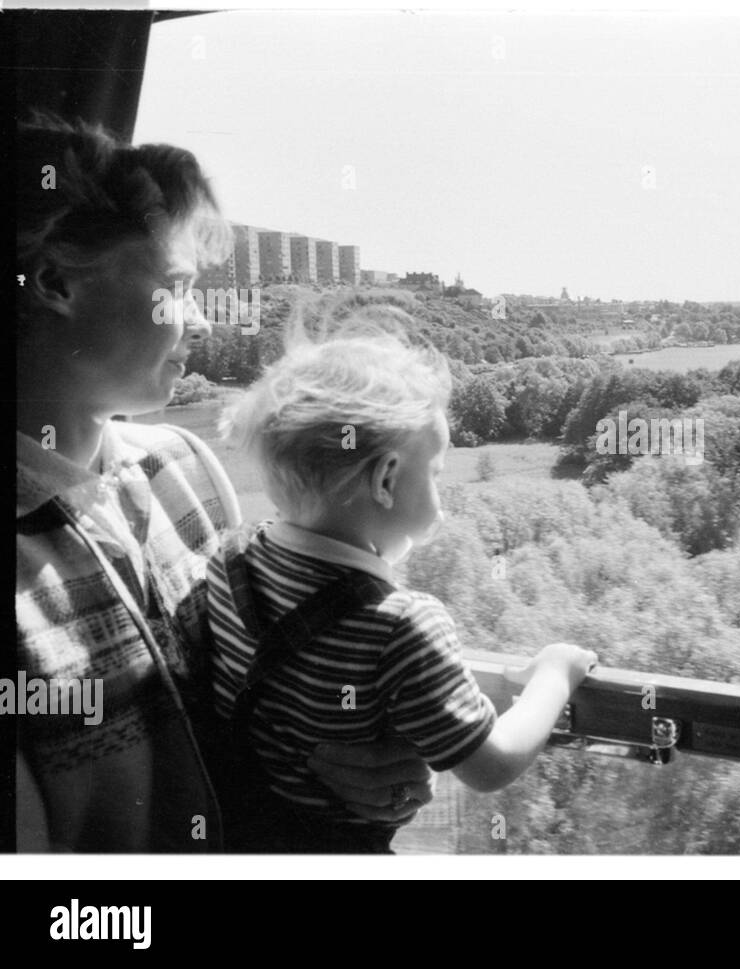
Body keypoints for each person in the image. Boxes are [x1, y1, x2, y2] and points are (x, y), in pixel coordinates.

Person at [14, 115, 439, 851]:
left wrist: (323, 761)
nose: (202, 321)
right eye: (175, 285)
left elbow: (247, 702)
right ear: (54, 281)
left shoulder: (185, 470)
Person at [207, 306, 597, 851]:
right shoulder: (402, 625)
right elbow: (492, 763)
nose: (441, 488)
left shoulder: (231, 563)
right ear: (387, 479)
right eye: (434, 472)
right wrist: (556, 673)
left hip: (244, 835)